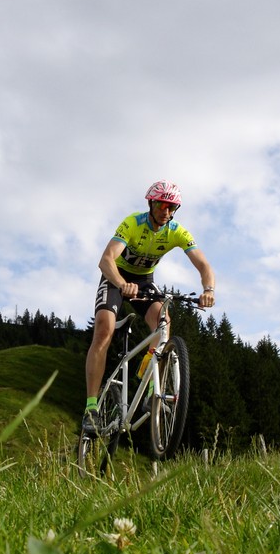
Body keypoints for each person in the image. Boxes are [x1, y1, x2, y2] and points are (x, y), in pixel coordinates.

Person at [83, 180, 216, 433]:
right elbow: (106, 260)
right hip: (116, 278)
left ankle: (152, 387)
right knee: (103, 329)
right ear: (151, 203)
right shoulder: (133, 223)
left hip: (144, 282)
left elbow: (204, 266)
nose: (167, 211)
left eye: (172, 207)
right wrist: (122, 283)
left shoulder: (177, 231)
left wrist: (208, 290)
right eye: (163, 205)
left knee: (163, 322)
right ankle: (91, 407)